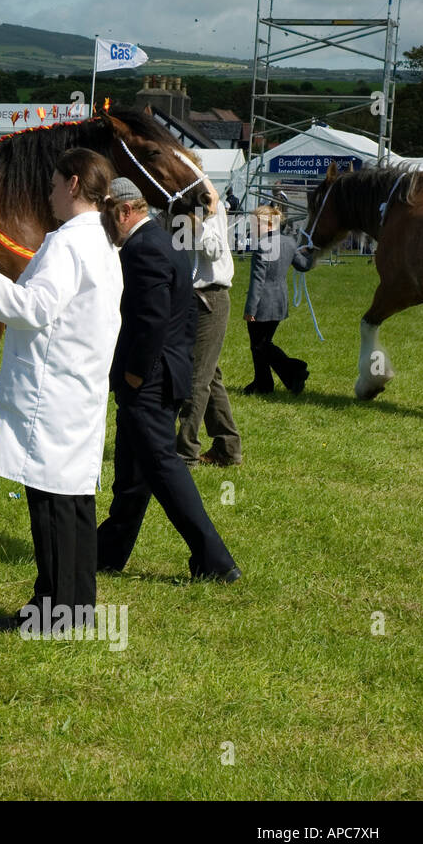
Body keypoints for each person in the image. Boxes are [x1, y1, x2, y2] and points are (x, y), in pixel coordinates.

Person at [0, 148, 123, 633]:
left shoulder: (68, 244)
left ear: (74, 184)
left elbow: (35, 308)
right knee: (76, 502)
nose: (49, 192)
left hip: (54, 390)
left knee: (51, 504)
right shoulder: (103, 243)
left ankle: (55, 612)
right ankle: (73, 605)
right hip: (78, 385)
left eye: (55, 183)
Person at [96, 178, 241, 585]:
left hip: (149, 381)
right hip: (160, 377)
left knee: (162, 467)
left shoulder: (144, 250)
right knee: (132, 472)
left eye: (108, 214)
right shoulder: (163, 243)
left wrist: (135, 373)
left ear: (125, 212)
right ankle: (107, 552)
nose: (105, 225)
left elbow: (151, 321)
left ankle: (215, 559)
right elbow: (187, 315)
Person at [176, 196, 243, 467]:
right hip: (191, 297)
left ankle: (184, 453)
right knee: (209, 375)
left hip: (210, 297)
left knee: (196, 378)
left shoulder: (207, 208)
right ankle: (227, 447)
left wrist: (197, 222)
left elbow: (213, 251)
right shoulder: (180, 207)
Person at [242, 205, 315, 395]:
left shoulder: (262, 246)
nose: (252, 228)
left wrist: (250, 308)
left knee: (260, 345)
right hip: (280, 301)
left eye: (254, 224)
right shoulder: (289, 242)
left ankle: (295, 371)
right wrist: (311, 252)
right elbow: (303, 266)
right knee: (262, 345)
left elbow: (257, 280)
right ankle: (264, 383)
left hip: (262, 303)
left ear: (265, 224)